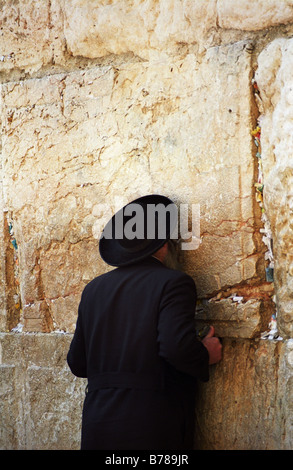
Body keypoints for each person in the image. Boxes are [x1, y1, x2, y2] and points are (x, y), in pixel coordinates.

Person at [67, 194, 222, 450]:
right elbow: (176, 347)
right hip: (149, 425)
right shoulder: (173, 283)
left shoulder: (93, 289)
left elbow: (77, 363)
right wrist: (205, 355)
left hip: (98, 424)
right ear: (162, 245)